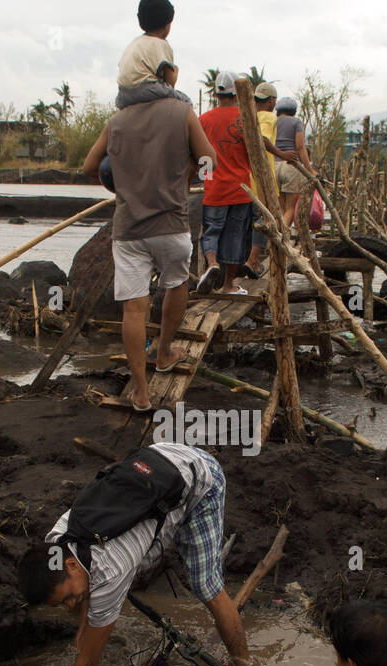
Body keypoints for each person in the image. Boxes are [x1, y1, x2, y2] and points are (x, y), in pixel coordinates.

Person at [17, 442, 246, 666]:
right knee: (98, 583)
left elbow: (88, 664)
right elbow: (84, 579)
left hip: (201, 477)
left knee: (205, 586)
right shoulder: (57, 541)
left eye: (68, 597)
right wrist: (83, 632)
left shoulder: (109, 572)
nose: (70, 605)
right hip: (155, 461)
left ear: (69, 563)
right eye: (62, 604)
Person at [82, 73, 216, 412]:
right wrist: (187, 181)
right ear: (164, 79)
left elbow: (88, 166)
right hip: (171, 222)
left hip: (129, 228)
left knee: (133, 308)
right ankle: (165, 351)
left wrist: (118, 185)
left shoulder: (116, 121)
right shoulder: (181, 110)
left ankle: (140, 393)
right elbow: (208, 160)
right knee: (175, 284)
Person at [196, 72, 294, 295]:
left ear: (217, 92)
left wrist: (205, 176)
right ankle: (229, 284)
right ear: (237, 93)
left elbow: (199, 155)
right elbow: (259, 147)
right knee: (234, 237)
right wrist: (280, 155)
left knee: (211, 231)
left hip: (214, 188)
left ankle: (212, 264)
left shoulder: (203, 120)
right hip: (240, 188)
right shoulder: (245, 119)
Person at [115, 0, 193, 109]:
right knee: (186, 101)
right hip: (146, 91)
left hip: (123, 95)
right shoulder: (162, 44)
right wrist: (175, 72)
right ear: (167, 24)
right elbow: (170, 83)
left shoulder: (134, 43)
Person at [243, 83, 283, 277]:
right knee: (263, 221)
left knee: (246, 222)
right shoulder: (268, 116)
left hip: (244, 179)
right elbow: (264, 139)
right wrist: (282, 154)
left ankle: (245, 261)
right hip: (261, 180)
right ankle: (252, 261)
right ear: (272, 101)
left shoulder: (246, 116)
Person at [274, 96, 318, 229]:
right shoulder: (296, 122)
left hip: (274, 165)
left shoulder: (273, 121)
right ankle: (281, 239)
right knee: (290, 209)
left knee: (281, 209)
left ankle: (277, 239)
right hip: (291, 166)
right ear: (293, 111)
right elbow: (300, 147)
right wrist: (310, 170)